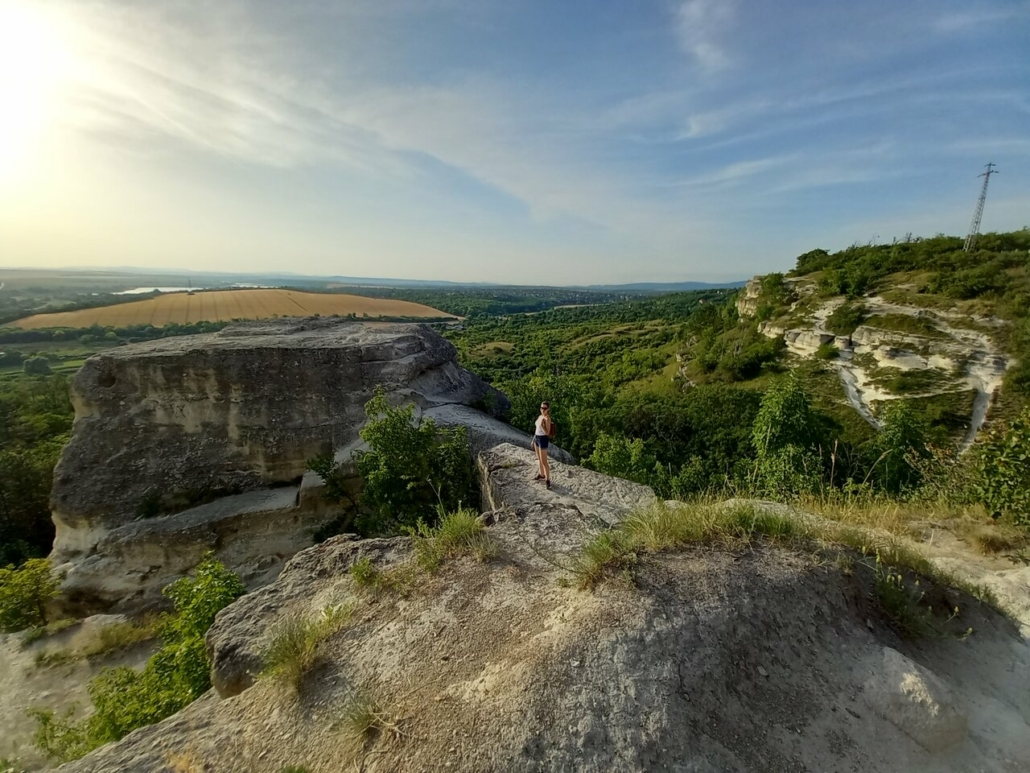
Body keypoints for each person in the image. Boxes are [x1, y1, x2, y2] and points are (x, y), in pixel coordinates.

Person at [531, 401, 552, 488]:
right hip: (537, 438)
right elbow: (536, 429)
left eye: (544, 408)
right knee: (539, 459)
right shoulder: (540, 416)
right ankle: (541, 474)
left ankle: (547, 480)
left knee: (544, 461)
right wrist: (533, 440)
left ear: (548, 409)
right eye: (541, 408)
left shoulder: (547, 419)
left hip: (543, 439)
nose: (542, 410)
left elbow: (547, 433)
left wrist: (543, 425)